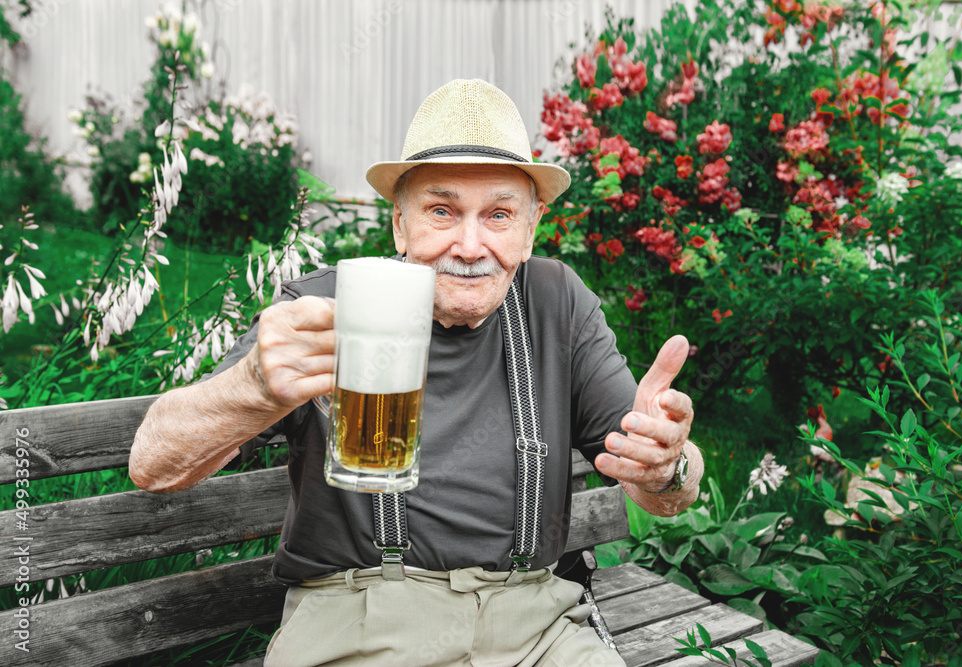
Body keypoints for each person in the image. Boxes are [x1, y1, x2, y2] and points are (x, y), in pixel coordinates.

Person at [129, 79, 704, 666]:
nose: (471, 244)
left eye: (499, 215)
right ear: (400, 225)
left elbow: (661, 488)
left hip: (538, 623)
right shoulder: (323, 308)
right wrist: (249, 387)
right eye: (441, 211)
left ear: (530, 230)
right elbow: (153, 464)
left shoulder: (558, 301)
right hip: (361, 617)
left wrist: (670, 464)